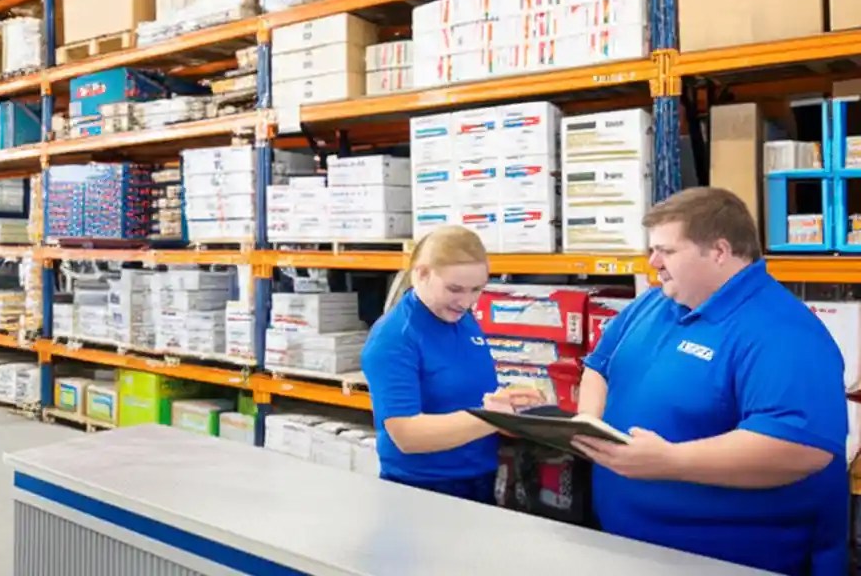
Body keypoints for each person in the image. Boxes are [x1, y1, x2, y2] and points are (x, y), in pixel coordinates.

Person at [573, 187, 848, 575]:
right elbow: (599, 366)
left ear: (719, 251)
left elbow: (800, 448)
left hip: (731, 559)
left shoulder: (783, 333)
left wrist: (670, 462)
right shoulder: (654, 303)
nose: (653, 262)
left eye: (667, 251)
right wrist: (590, 423)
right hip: (632, 547)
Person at [362, 225, 543, 503]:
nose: (467, 302)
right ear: (421, 274)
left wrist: (510, 408)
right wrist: (493, 418)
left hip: (480, 476)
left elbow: (464, 398)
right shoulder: (394, 337)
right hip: (421, 488)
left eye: (477, 289)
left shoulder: (461, 319)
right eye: (455, 289)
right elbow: (407, 435)